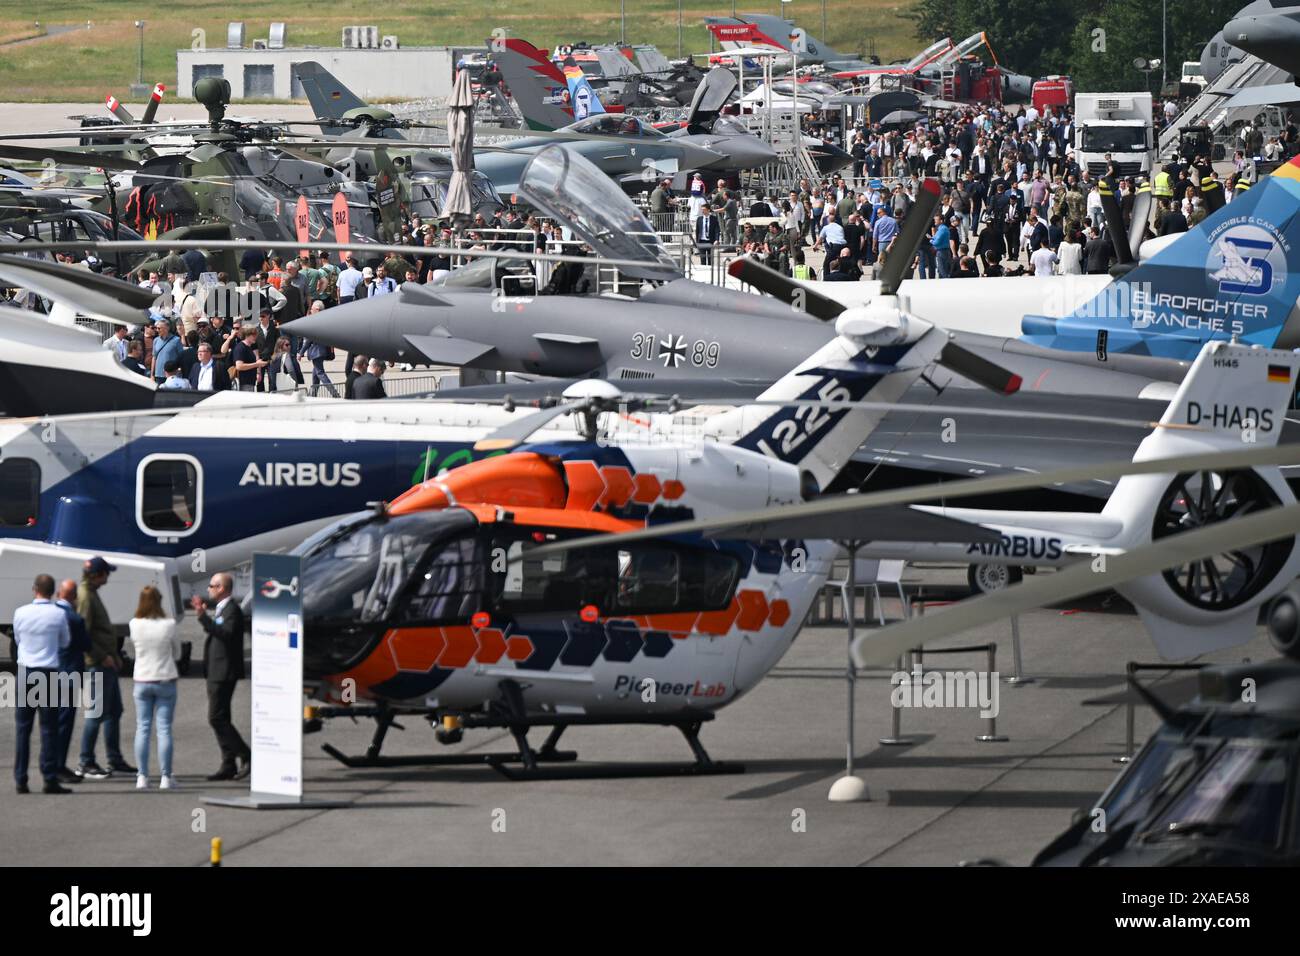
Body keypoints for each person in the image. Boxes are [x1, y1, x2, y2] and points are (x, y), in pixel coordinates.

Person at [13, 574, 72, 794]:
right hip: (48, 673)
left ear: (34, 589)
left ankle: (21, 778)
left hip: (26, 672)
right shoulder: (58, 614)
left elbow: (18, 639)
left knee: (23, 728)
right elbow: (65, 641)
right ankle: (49, 777)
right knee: (48, 728)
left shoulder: (20, 612)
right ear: (52, 590)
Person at [77, 556, 134, 779]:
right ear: (96, 575)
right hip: (97, 665)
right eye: (105, 573)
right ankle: (85, 762)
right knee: (96, 714)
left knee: (113, 712)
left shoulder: (90, 594)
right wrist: (102, 657)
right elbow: (84, 634)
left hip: (106, 663)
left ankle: (114, 759)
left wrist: (113, 655)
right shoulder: (86, 598)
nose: (107, 577)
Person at [191, 572, 250, 781]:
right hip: (216, 670)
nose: (208, 589)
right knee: (221, 717)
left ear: (222, 588)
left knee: (216, 717)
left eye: (212, 586)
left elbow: (226, 634)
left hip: (224, 672)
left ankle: (246, 754)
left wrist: (202, 618)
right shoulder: (223, 608)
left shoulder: (232, 609)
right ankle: (228, 763)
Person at [128, 585, 182, 790]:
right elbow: (176, 651)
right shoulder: (169, 624)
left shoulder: (135, 624)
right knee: (164, 729)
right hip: (165, 677)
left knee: (142, 727)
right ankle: (166, 777)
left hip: (142, 678)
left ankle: (142, 776)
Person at [53, 579, 90, 784]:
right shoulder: (74, 619)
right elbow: (85, 643)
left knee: (51, 722)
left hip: (50, 671)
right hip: (69, 673)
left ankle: (50, 763)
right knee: (64, 722)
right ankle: (58, 765)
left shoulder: (51, 613)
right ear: (73, 596)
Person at [232, 325, 268, 392]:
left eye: (256, 335)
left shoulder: (249, 347)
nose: (255, 337)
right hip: (243, 383)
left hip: (249, 382)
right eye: (253, 335)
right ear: (247, 335)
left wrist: (258, 370)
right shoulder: (240, 347)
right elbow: (239, 366)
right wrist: (257, 364)